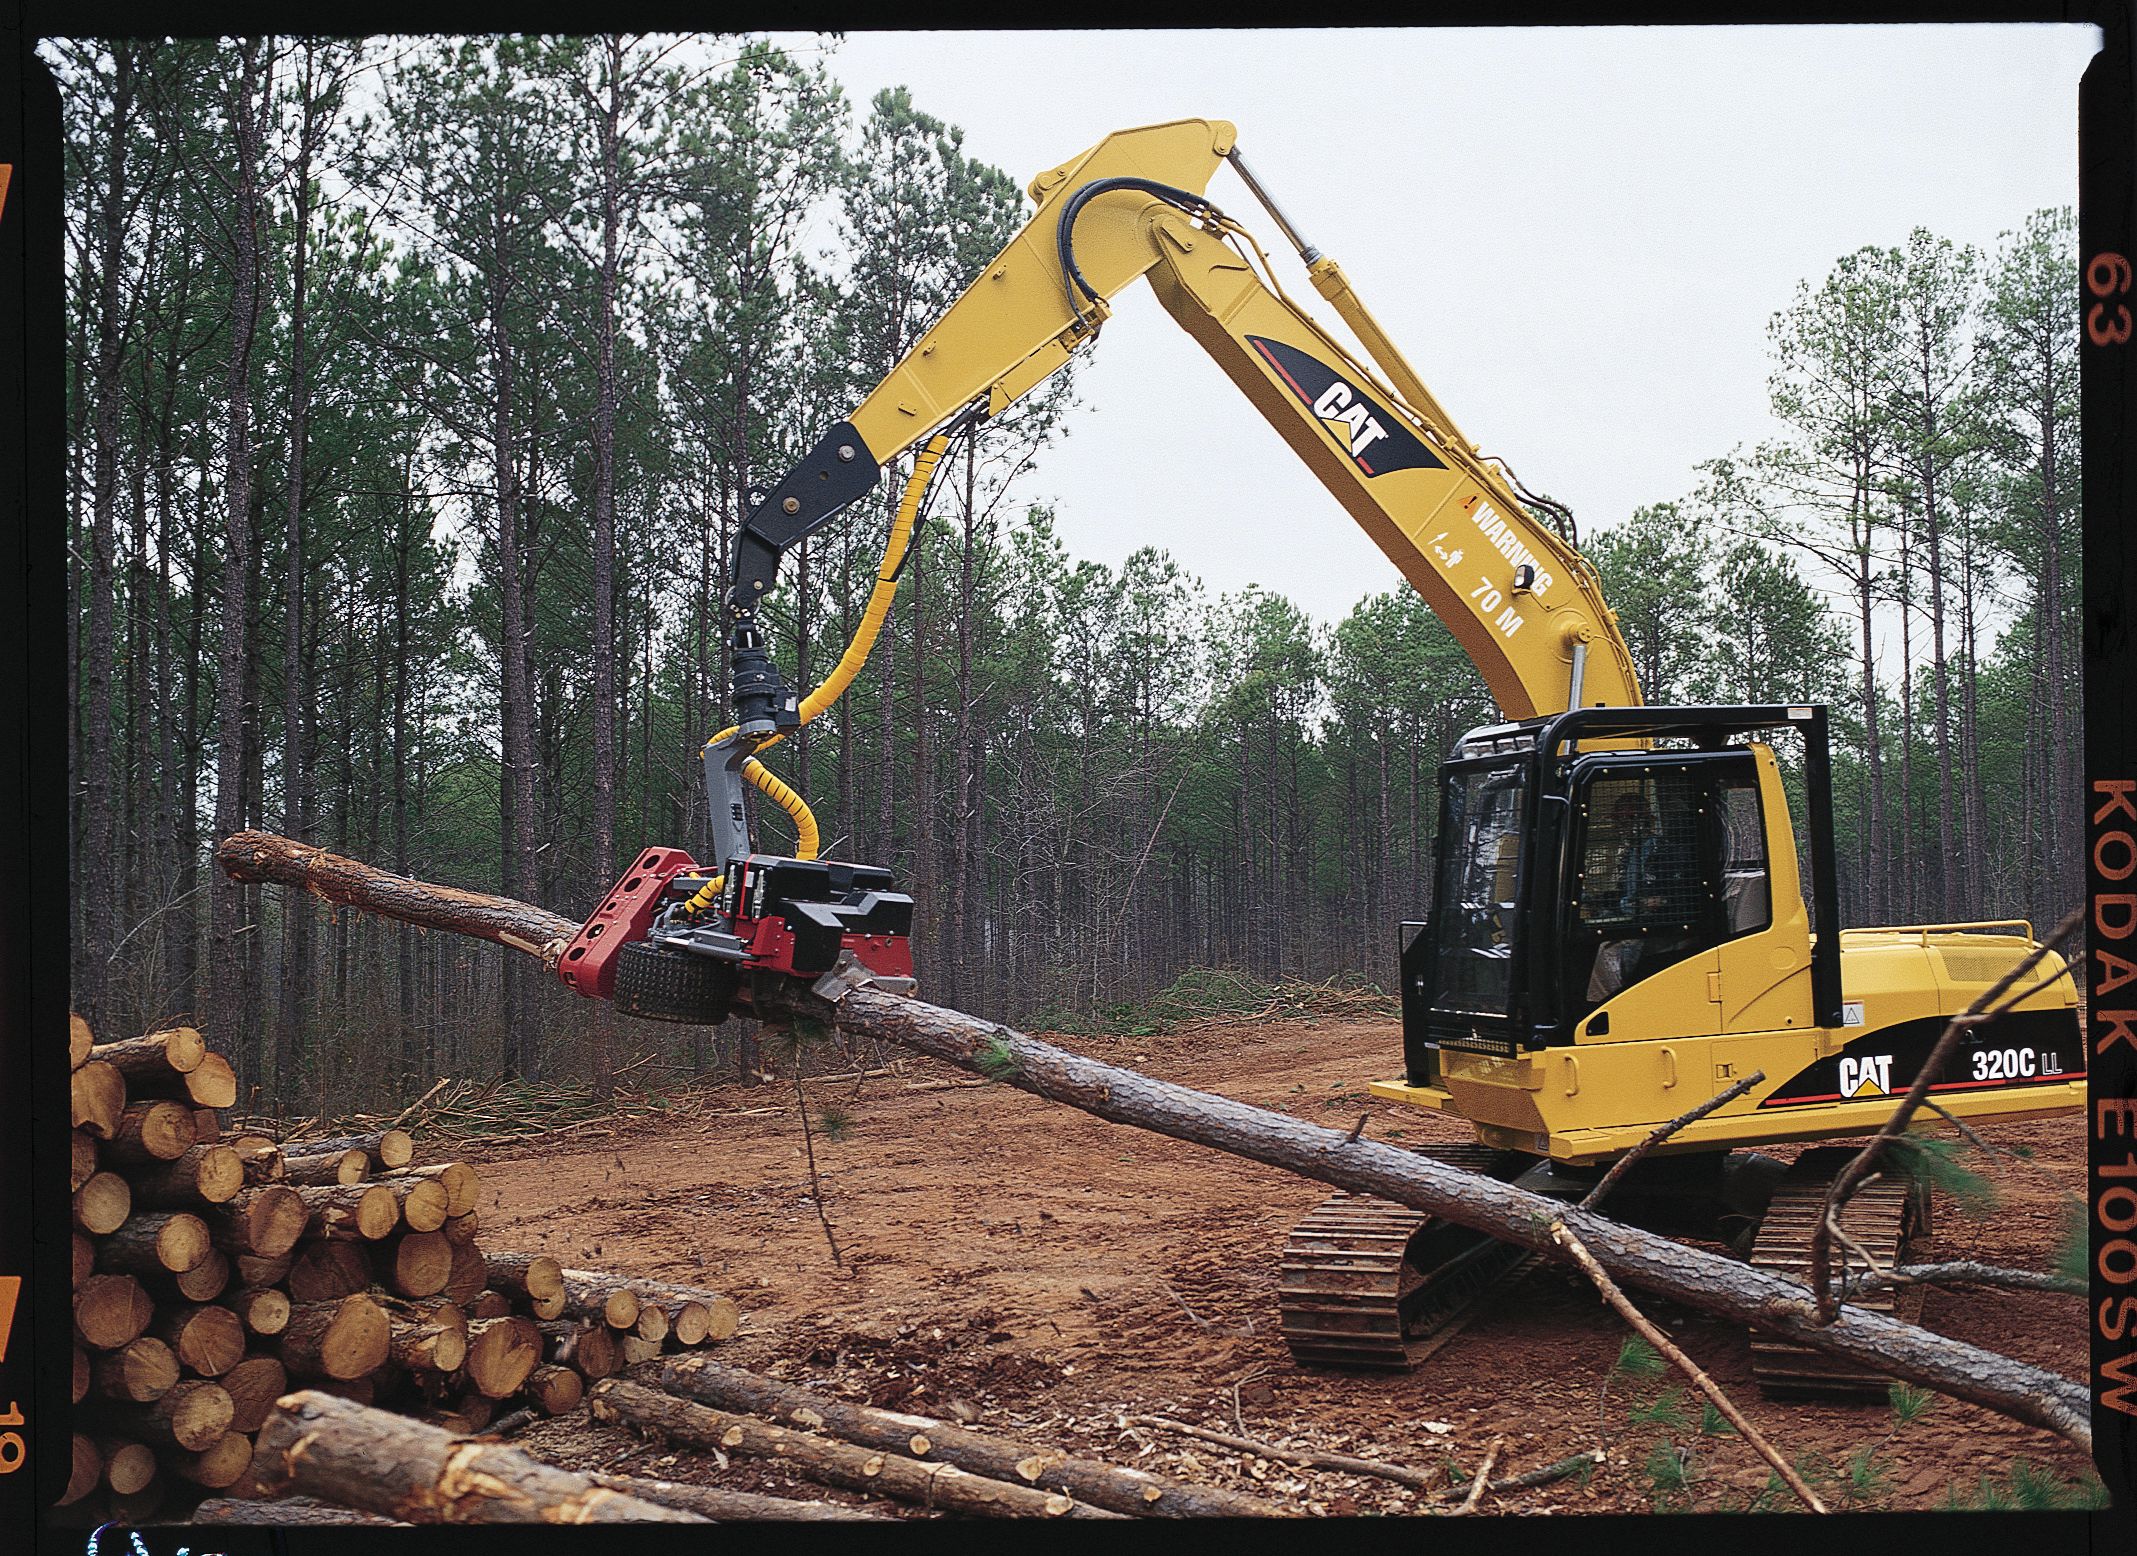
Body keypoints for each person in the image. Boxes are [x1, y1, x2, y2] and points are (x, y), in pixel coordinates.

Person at [1587, 790, 1665, 1002]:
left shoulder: (1658, 851)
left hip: (1648, 928)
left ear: (1638, 821)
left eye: (1623, 822)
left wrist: (1638, 904)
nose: (1619, 828)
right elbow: (1627, 891)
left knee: (1604, 948)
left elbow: (1657, 899)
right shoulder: (1632, 852)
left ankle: (1606, 1002)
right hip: (1630, 918)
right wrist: (1600, 900)